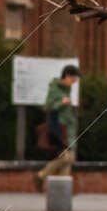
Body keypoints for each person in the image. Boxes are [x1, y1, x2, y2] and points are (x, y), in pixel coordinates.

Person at [35, 63, 79, 192]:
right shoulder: (55, 89)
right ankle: (41, 175)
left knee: (69, 160)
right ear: (67, 76)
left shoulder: (66, 90)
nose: (75, 81)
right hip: (58, 130)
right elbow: (48, 107)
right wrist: (61, 103)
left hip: (68, 131)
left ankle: (61, 191)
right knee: (66, 158)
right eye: (74, 78)